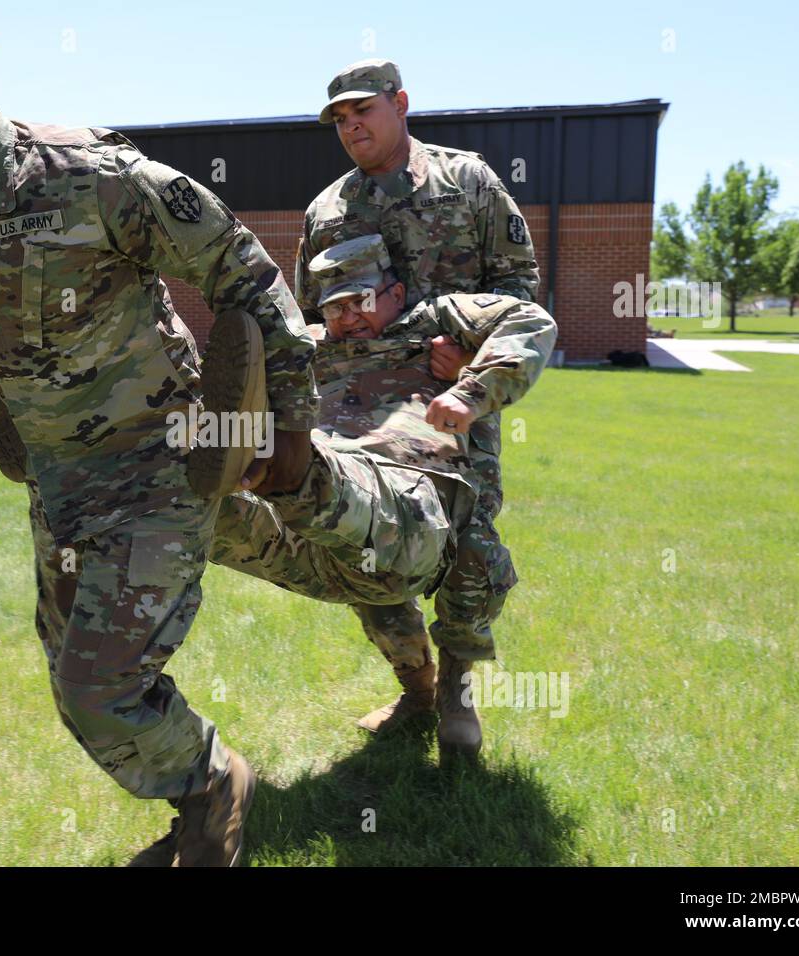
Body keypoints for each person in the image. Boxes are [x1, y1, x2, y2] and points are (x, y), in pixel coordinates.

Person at [0, 0, 320, 866]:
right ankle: (196, 801)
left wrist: (286, 420)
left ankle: (215, 787)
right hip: (61, 485)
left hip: (163, 459)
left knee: (102, 689)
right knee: (72, 686)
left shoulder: (86, 175)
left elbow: (241, 268)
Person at [213, 236, 556, 755]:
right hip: (326, 521)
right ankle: (418, 693)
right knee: (209, 509)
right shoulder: (310, 344)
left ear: (395, 293)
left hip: (415, 502)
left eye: (361, 301)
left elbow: (530, 321)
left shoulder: (433, 320)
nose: (348, 318)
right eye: (335, 308)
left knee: (454, 552)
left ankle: (454, 692)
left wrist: (472, 388)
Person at [293, 59, 542, 748]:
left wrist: (470, 369)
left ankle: (459, 699)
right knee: (365, 545)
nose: (352, 128)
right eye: (341, 120)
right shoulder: (326, 210)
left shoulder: (469, 183)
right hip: (360, 410)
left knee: (466, 545)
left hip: (455, 405)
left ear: (401, 103)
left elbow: (522, 293)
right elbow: (308, 315)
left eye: (363, 112)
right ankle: (417, 689)